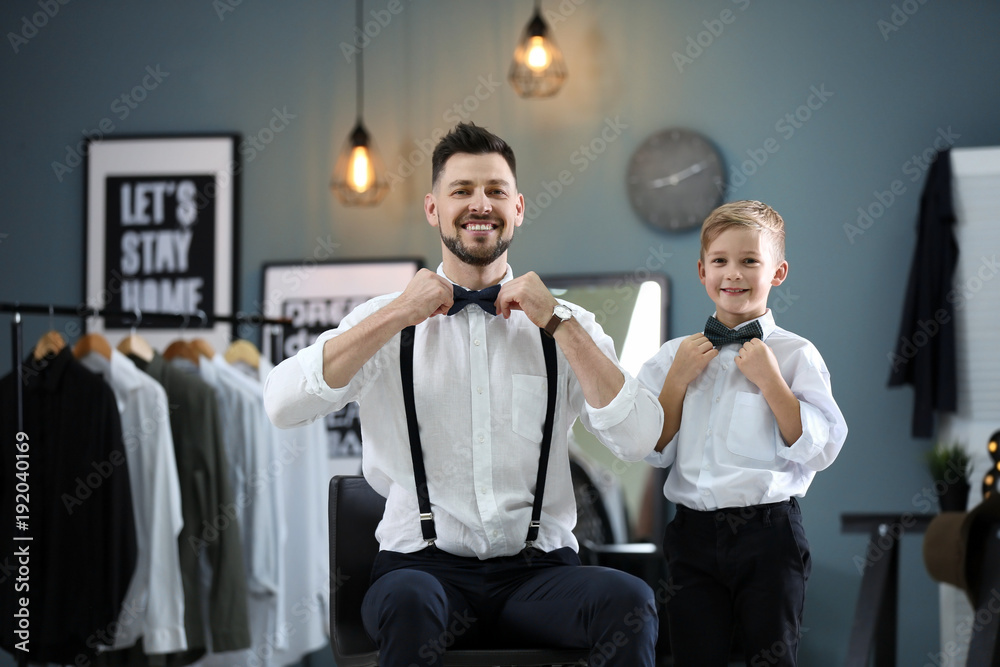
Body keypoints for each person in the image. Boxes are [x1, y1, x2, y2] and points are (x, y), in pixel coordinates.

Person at [264, 123, 664, 667]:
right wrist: (399, 313)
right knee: (409, 602)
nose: (481, 204)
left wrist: (561, 324)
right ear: (433, 208)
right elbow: (282, 404)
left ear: (518, 207)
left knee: (632, 602)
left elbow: (640, 438)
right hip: (419, 572)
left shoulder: (570, 325)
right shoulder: (384, 323)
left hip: (539, 575)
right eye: (462, 191)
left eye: (496, 191)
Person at [637, 200, 848, 667]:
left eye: (750, 261)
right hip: (691, 534)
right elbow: (653, 447)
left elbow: (822, 449)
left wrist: (772, 382)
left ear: (778, 272)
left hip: (769, 535)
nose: (733, 273)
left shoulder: (796, 355)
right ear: (701, 270)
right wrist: (676, 380)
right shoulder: (673, 355)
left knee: (771, 659)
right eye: (721, 261)